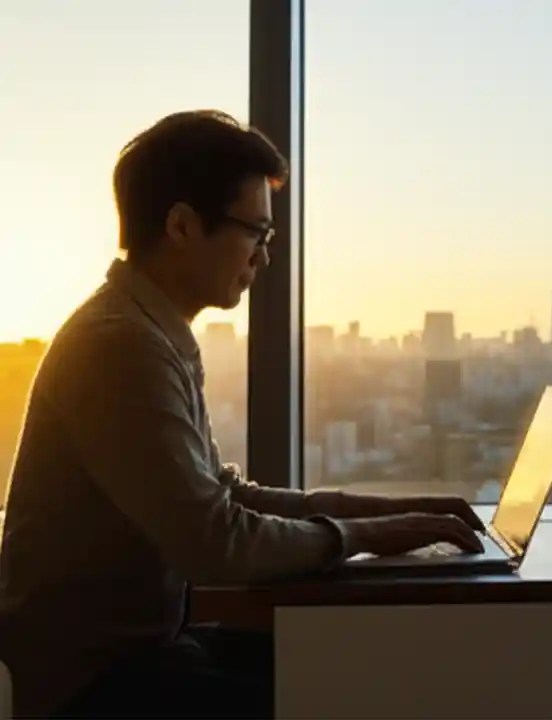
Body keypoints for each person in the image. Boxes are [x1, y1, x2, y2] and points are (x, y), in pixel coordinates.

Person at [0, 110, 485, 719]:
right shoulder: (120, 346)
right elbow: (215, 542)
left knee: (351, 663)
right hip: (91, 685)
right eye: (255, 232)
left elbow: (225, 497)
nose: (263, 257)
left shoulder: (149, 330)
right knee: (353, 690)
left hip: (145, 655)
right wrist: (364, 537)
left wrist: (389, 515)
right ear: (181, 225)